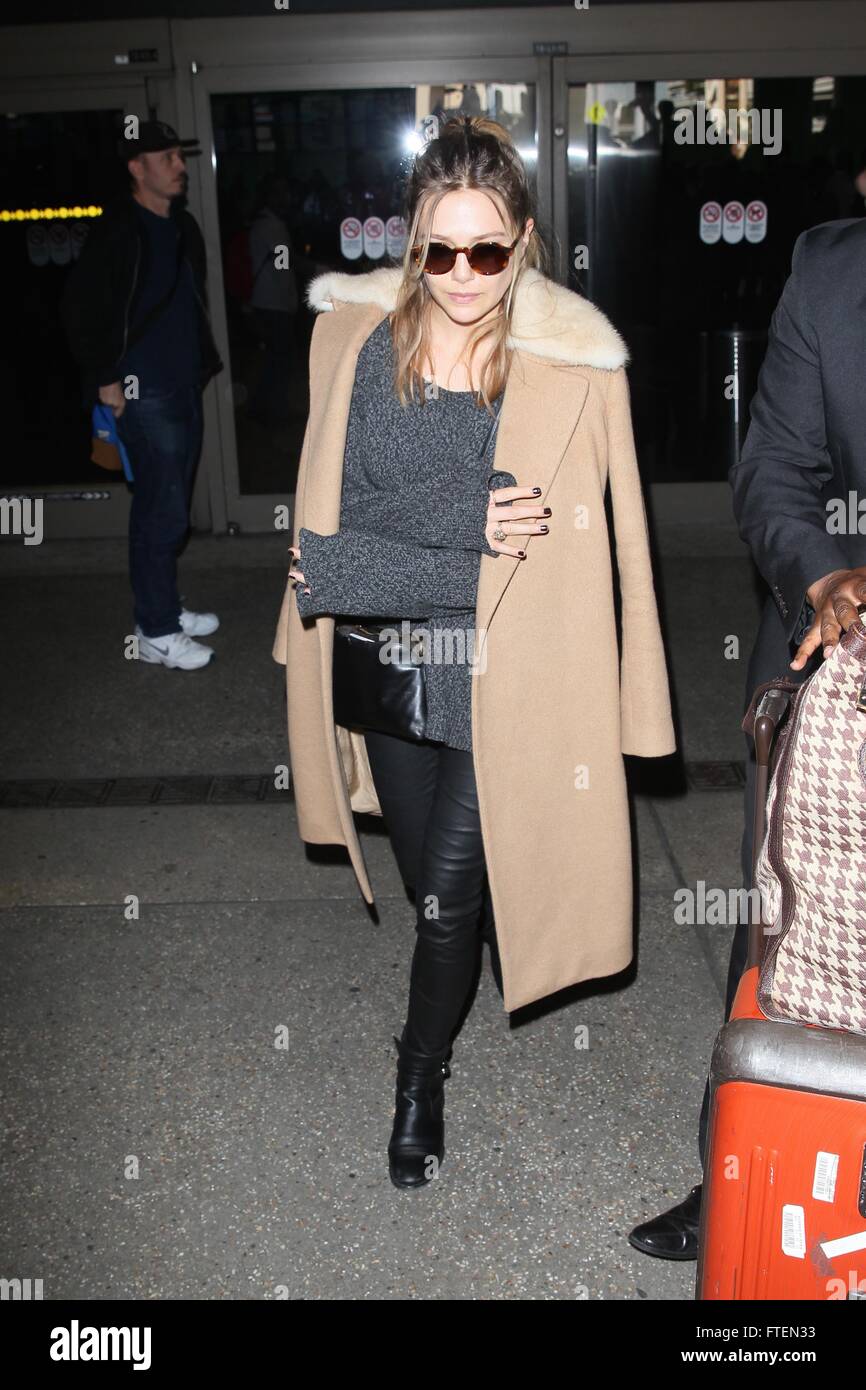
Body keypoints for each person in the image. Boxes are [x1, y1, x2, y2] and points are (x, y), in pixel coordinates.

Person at [272, 115, 675, 1190]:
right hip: (395, 670)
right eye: (439, 249)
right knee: (430, 887)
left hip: (515, 682)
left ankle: (416, 1078)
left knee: (446, 894)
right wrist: (467, 521)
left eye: (486, 251)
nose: (461, 275)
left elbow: (597, 562)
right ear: (412, 240)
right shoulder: (354, 349)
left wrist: (396, 545)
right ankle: (470, 934)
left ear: (523, 242)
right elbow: (325, 556)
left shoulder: (569, 375)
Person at [629, 213, 866, 1259]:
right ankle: (741, 1172)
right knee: (777, 912)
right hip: (830, 643)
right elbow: (772, 464)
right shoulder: (831, 272)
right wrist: (823, 576)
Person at [62, 119, 223, 670]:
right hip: (141, 394)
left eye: (181, 155)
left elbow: (190, 303)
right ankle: (155, 631)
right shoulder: (117, 231)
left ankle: (165, 611)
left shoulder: (183, 226)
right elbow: (81, 310)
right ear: (137, 168)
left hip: (181, 385)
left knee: (167, 508)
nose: (179, 166)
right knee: (162, 513)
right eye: (168, 157)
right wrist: (106, 377)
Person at [247, 174, 300, 427]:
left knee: (272, 358)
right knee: (278, 359)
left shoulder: (260, 224)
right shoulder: (272, 227)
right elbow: (283, 266)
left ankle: (262, 407)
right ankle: (271, 410)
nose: (287, 199)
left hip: (264, 301)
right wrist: (291, 298)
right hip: (274, 304)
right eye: (282, 193)